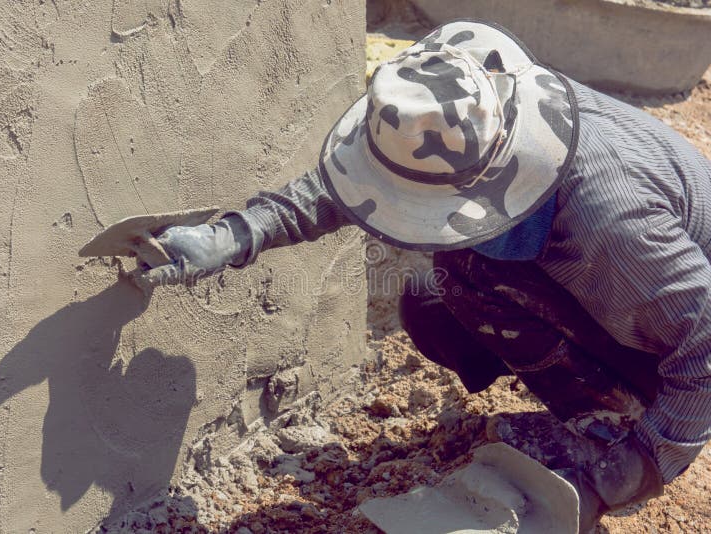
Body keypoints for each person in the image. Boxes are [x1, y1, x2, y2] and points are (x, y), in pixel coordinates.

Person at [133, 20, 711, 532]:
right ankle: (600, 412)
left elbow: (704, 348)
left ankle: (625, 426)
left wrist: (624, 477)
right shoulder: (483, 111)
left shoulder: (613, 224)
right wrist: (238, 233)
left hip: (678, 330)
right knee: (437, 300)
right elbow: (356, 186)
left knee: (466, 282)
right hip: (640, 290)